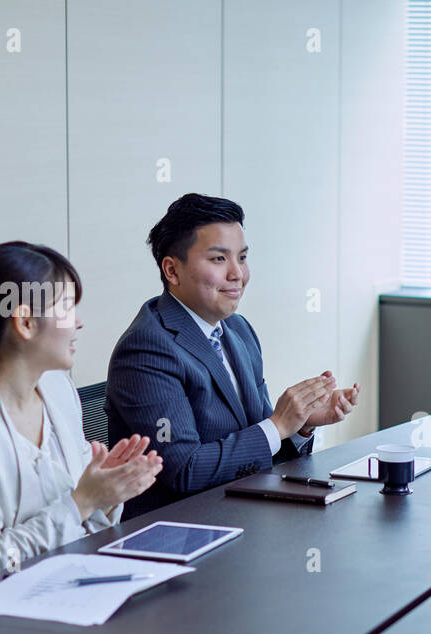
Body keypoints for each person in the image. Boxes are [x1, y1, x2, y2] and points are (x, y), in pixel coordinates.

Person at [0, 241, 163, 597]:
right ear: (24, 322)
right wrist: (82, 500)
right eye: (68, 308)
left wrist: (106, 491)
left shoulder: (57, 389)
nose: (79, 322)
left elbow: (83, 525)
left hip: (64, 590)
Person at [106, 194, 358, 517]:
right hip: (178, 534)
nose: (237, 273)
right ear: (172, 270)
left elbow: (261, 446)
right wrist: (277, 425)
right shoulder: (146, 348)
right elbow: (185, 470)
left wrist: (301, 424)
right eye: (218, 259)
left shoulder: (238, 330)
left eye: (242, 257)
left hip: (245, 515)